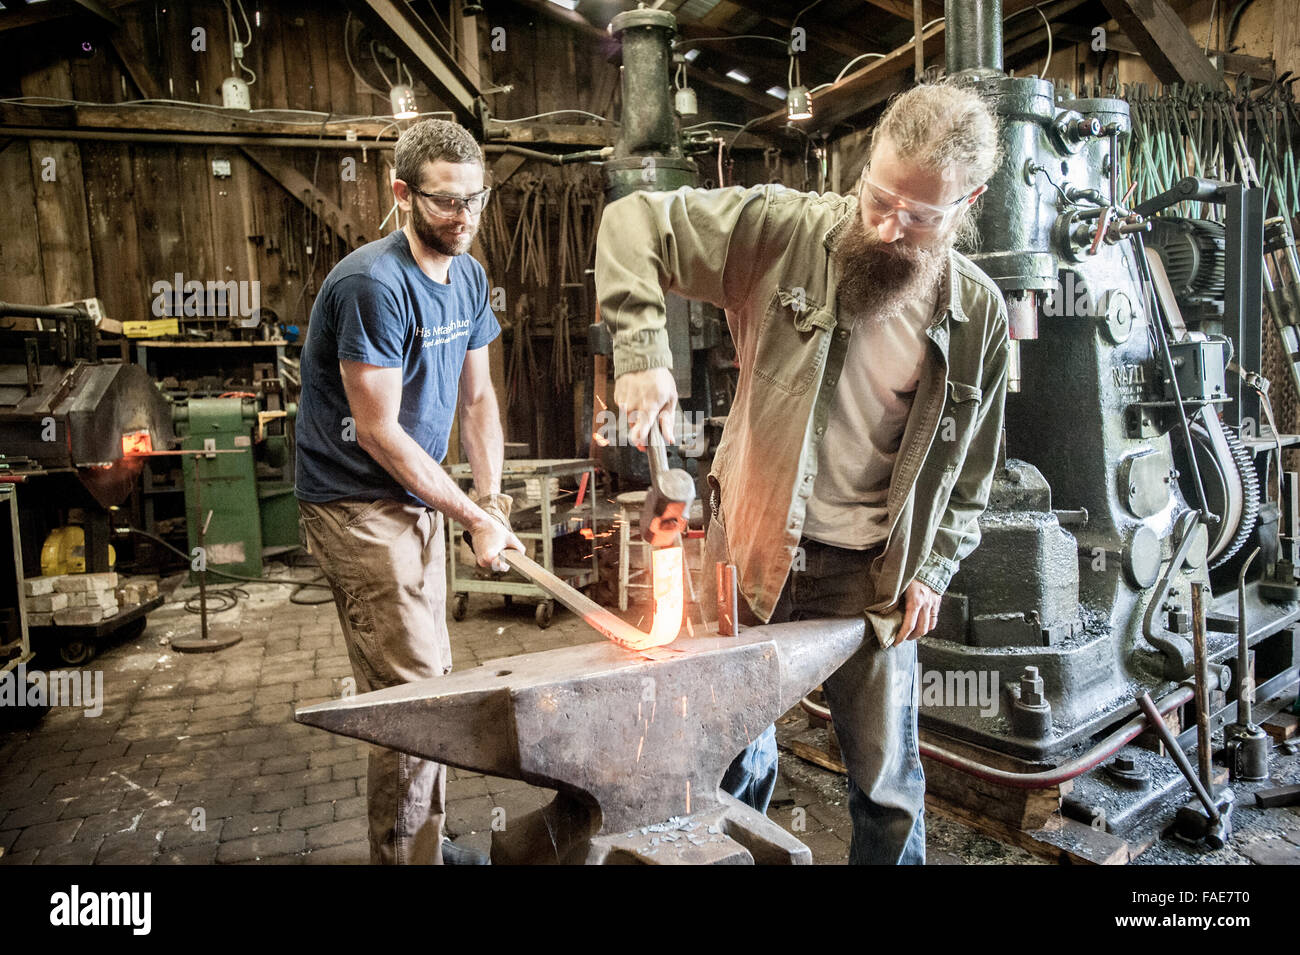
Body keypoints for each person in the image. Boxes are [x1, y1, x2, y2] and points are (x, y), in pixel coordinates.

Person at [595, 81, 1009, 865]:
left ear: (969, 203)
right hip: (754, 552)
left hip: (874, 575)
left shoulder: (980, 315)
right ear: (866, 165)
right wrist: (642, 353)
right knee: (733, 760)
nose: (888, 228)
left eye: (920, 217)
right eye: (879, 197)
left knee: (886, 789)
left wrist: (936, 567)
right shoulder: (780, 233)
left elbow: (972, 468)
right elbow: (633, 221)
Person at [295, 119, 522, 865]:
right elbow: (380, 432)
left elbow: (481, 398)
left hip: (416, 498)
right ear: (400, 193)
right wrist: (467, 512)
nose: (464, 218)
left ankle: (423, 843)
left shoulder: (470, 276)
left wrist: (488, 501)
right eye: (444, 203)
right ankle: (408, 859)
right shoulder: (372, 285)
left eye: (475, 201)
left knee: (432, 681)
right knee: (415, 697)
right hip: (356, 503)